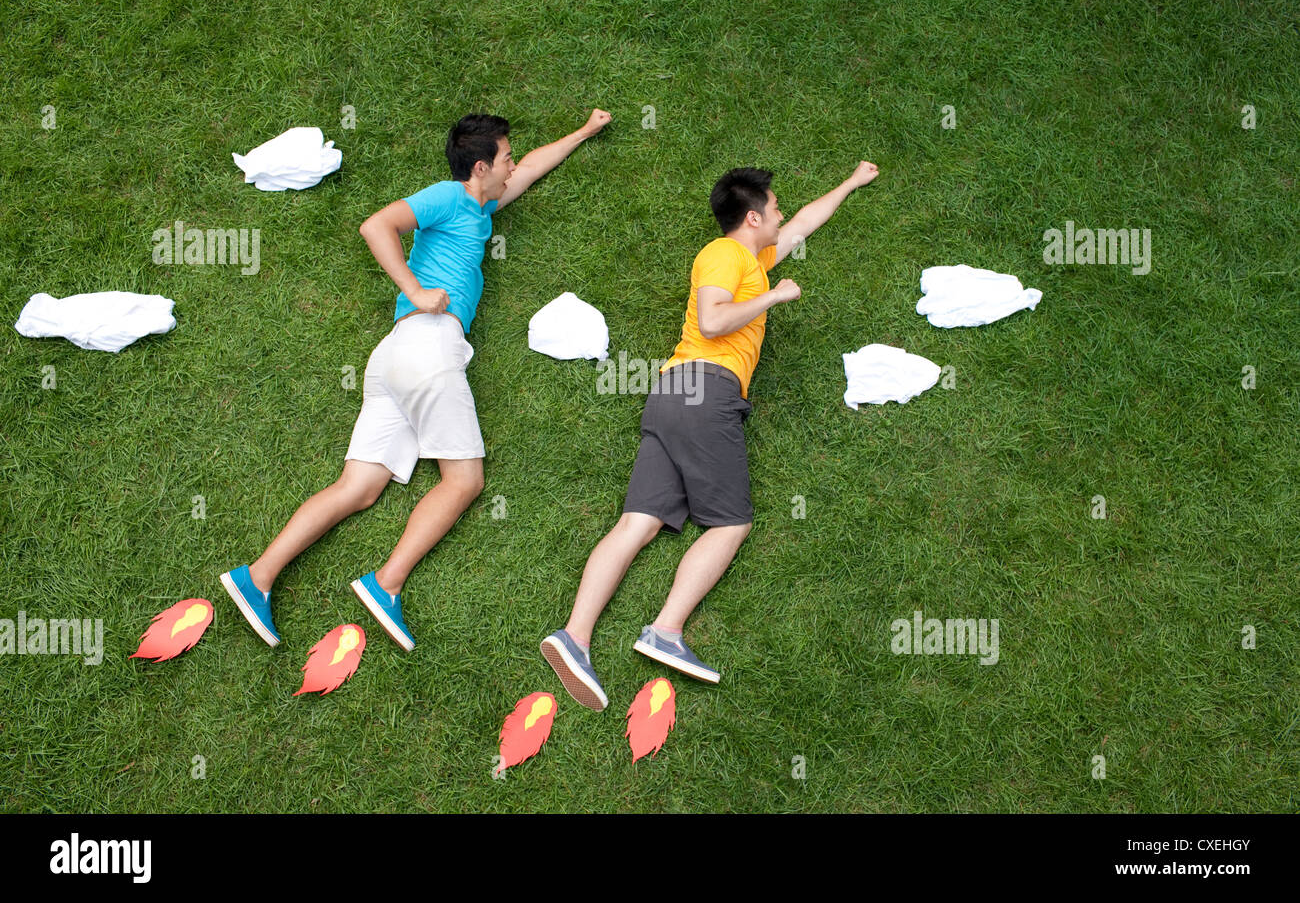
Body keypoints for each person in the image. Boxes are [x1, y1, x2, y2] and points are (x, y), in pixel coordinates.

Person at [222, 109, 612, 651]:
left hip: (396, 359)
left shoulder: (480, 207)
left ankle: (256, 577)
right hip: (428, 345)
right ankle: (386, 584)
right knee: (465, 481)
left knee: (357, 488)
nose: (513, 164)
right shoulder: (450, 198)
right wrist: (418, 289)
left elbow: (531, 172)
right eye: (505, 157)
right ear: (479, 167)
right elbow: (376, 225)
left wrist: (583, 132)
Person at [542, 161, 880, 710]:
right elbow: (713, 321)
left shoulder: (753, 257)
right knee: (731, 522)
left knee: (638, 521)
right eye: (775, 208)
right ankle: (665, 630)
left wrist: (849, 183)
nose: (782, 216)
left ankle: (574, 636)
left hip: (673, 393)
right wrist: (774, 298)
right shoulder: (724, 255)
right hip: (706, 391)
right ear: (752, 216)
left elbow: (803, 228)